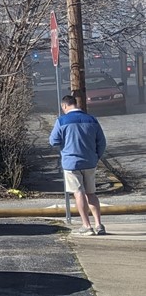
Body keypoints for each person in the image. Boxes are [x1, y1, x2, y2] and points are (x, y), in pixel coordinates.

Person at [49, 94, 107, 236]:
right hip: (90, 162)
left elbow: (53, 141)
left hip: (71, 163)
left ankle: (86, 226)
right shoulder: (92, 120)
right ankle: (99, 224)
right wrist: (95, 157)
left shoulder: (62, 121)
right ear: (76, 104)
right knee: (91, 194)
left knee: (79, 193)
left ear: (64, 106)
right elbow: (102, 142)